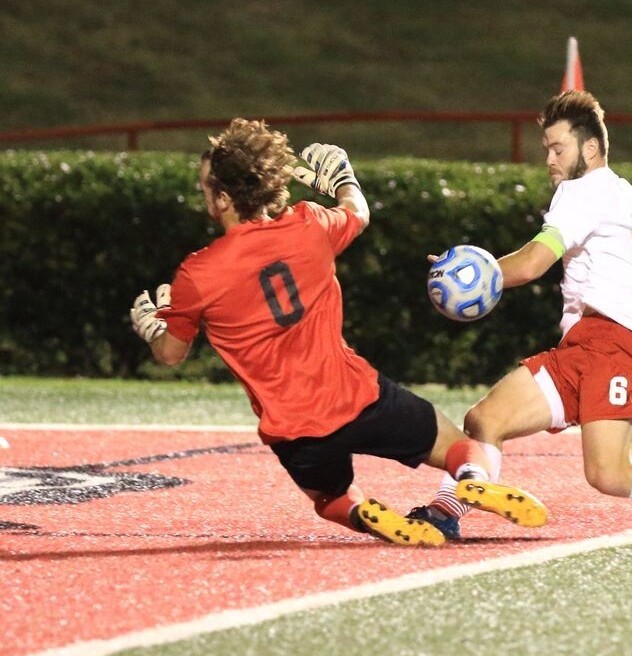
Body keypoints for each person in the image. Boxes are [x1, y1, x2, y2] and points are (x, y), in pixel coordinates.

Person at [129, 118, 547, 547]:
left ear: (222, 198)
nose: (202, 196)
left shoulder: (197, 274)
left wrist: (154, 327)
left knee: (328, 497)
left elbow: (170, 354)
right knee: (460, 447)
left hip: (292, 429)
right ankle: (473, 479)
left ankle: (363, 512)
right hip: (357, 397)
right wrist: (344, 179)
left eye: (205, 188)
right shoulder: (309, 224)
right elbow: (358, 213)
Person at [410, 91, 632, 538]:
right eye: (546, 150)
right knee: (485, 419)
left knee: (609, 475)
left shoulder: (579, 193)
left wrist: (468, 275)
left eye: (558, 148)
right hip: (581, 346)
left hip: (616, 347)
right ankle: (447, 511)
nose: (549, 160)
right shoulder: (630, 197)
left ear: (590, 148)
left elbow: (531, 264)